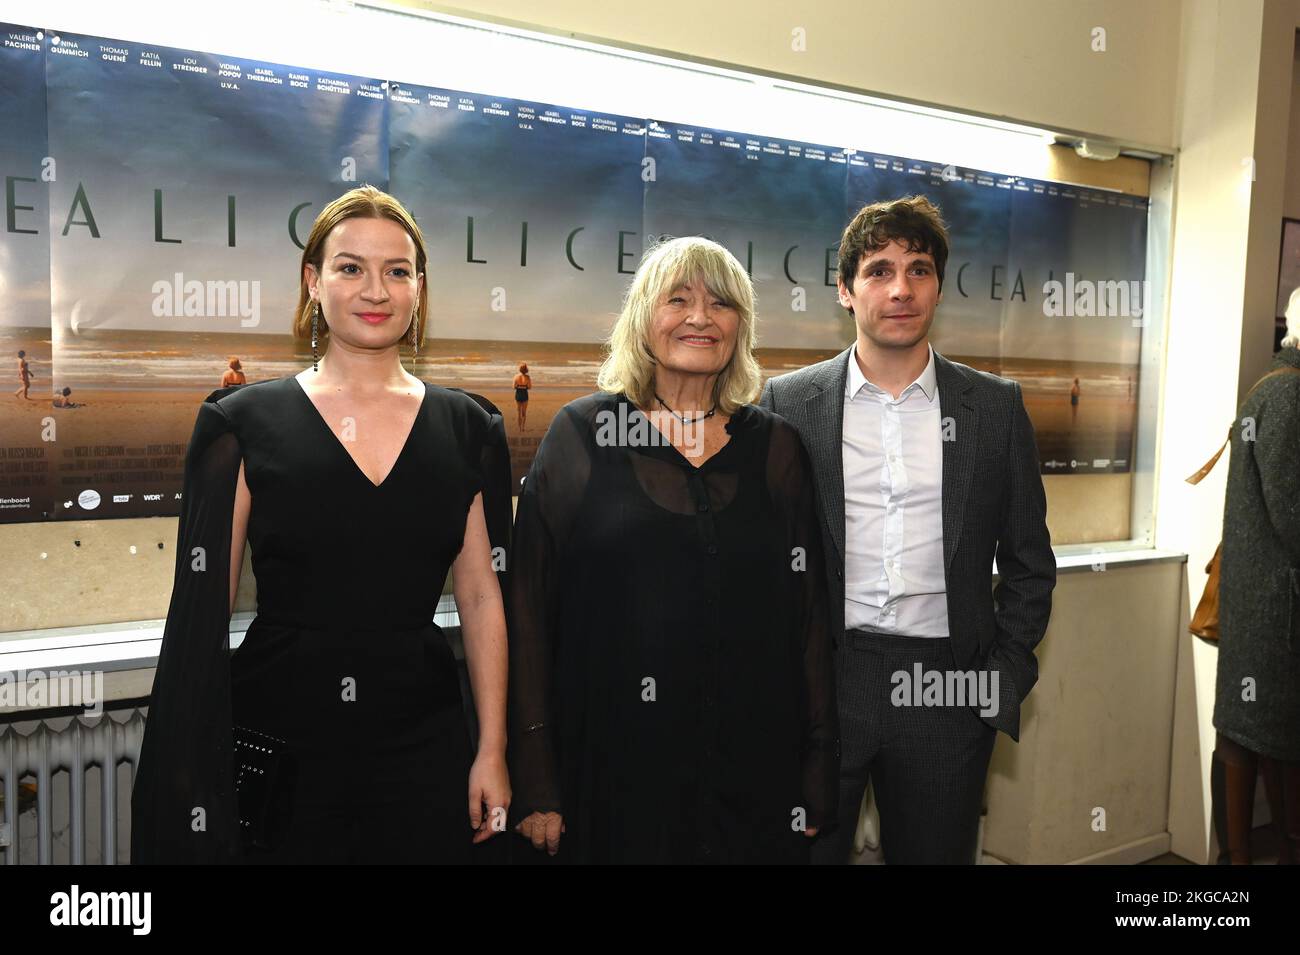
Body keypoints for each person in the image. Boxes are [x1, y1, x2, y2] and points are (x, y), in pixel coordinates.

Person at [131, 185, 513, 864]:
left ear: (420, 289)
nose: (376, 289)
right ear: (313, 282)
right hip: (282, 741)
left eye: (397, 270)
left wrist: (492, 748)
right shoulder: (240, 423)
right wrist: (191, 764)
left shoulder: (468, 427)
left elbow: (483, 597)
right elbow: (202, 609)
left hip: (424, 742)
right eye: (350, 267)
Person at [507, 236, 839, 863]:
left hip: (750, 772)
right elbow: (526, 611)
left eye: (721, 303)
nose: (699, 317)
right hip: (611, 769)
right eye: (678, 299)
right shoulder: (579, 436)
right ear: (643, 321)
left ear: (740, 326)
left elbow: (811, 617)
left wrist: (820, 759)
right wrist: (534, 772)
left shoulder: (778, 449)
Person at [760, 195, 1055, 864]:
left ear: (939, 286)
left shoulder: (996, 410)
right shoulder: (788, 404)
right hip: (823, 686)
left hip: (948, 692)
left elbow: (1030, 563)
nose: (900, 288)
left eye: (919, 269)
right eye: (878, 270)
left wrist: (999, 680)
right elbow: (765, 561)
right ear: (844, 289)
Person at [1213, 292, 1300, 864]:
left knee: (1250, 732)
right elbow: (1291, 508)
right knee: (1271, 737)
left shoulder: (1272, 387)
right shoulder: (1291, 394)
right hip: (1277, 606)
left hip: (1260, 601)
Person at [512, 362, 531, 431]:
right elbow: (529, 387)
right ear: (526, 369)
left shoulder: (516, 377)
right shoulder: (527, 377)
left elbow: (514, 387)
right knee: (524, 412)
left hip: (518, 394)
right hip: (524, 394)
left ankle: (519, 428)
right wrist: (524, 386)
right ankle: (523, 427)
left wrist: (519, 386)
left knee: (518, 412)